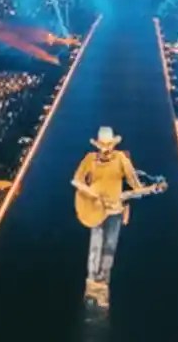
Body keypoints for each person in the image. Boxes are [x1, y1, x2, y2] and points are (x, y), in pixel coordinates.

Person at [71, 126, 144, 307]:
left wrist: (139, 189)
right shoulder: (90, 159)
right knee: (95, 245)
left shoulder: (121, 158)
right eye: (103, 145)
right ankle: (92, 280)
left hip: (115, 211)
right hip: (96, 210)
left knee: (109, 247)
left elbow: (133, 181)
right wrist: (93, 194)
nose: (105, 148)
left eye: (108, 145)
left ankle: (103, 283)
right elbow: (76, 180)